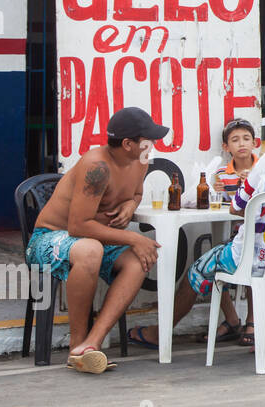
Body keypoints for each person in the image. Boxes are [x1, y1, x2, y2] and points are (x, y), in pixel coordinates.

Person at [130, 102, 265, 352]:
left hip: (253, 257)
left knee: (197, 270)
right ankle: (260, 327)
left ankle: (160, 335)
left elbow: (237, 206)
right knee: (241, 251)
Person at [27, 107, 165, 374]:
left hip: (95, 239)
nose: (153, 143)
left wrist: (129, 205)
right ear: (127, 144)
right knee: (91, 249)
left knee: (138, 261)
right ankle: (75, 344)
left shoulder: (141, 160)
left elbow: (135, 193)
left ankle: (90, 345)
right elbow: (78, 226)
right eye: (147, 138)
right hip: (48, 239)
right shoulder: (97, 166)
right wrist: (132, 238)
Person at [201, 117, 261, 345]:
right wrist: (215, 190)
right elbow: (225, 205)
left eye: (246, 138)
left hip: (256, 236)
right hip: (235, 235)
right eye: (235, 140)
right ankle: (231, 318)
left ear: (255, 142)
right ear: (226, 147)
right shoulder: (222, 174)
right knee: (214, 262)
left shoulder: (261, 169)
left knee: (251, 266)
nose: (242, 144)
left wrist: (252, 183)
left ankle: (253, 320)